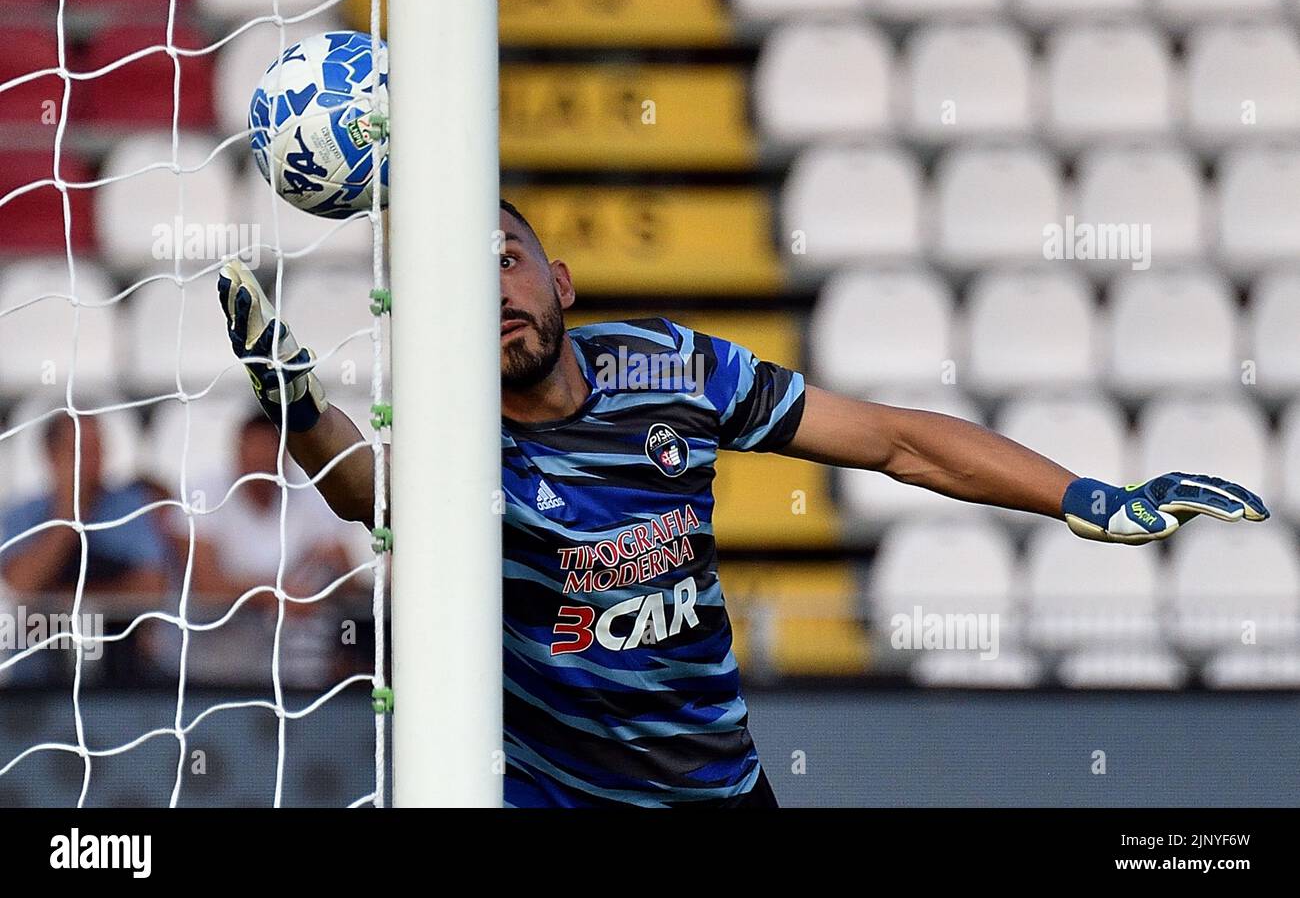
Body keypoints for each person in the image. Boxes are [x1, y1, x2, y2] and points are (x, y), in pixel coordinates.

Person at [214, 199, 1269, 807]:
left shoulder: (673, 368)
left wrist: (1088, 494)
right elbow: (365, 487)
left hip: (720, 791)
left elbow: (897, 441)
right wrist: (295, 398)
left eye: (508, 257)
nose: (494, 290)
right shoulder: (453, 437)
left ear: (560, 279)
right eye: (466, 275)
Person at [167, 412, 354, 688]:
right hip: (206, 671)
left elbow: (348, 578)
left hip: (293, 673)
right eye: (252, 448)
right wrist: (275, 595)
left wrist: (324, 571)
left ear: (286, 455)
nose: (259, 459)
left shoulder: (310, 496)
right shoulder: (202, 493)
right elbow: (205, 586)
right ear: (236, 450)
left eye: (269, 449)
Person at [1, 413, 170, 683]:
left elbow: (151, 588)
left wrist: (60, 601)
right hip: (36, 686)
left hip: (121, 678)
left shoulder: (133, 509)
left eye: (97, 450)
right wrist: (67, 516)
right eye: (80, 450)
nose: (92, 461)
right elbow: (21, 586)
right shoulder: (22, 514)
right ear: (51, 455)